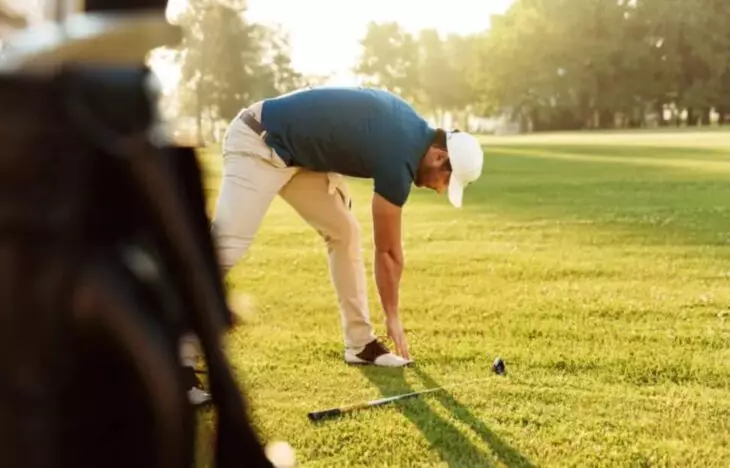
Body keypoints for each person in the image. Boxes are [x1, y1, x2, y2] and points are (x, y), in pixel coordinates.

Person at [180, 86, 484, 402]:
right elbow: (389, 251)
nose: (439, 190)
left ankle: (360, 344)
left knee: (344, 232)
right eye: (445, 181)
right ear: (439, 156)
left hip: (298, 156)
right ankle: (176, 356)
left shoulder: (412, 132)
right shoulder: (402, 155)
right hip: (259, 141)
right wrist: (393, 317)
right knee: (226, 246)